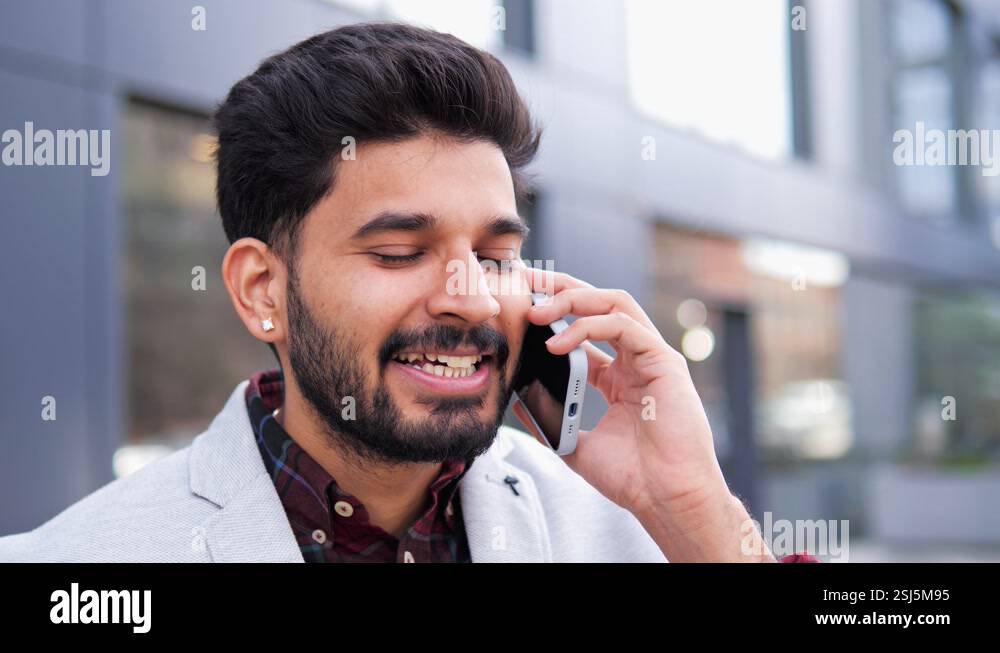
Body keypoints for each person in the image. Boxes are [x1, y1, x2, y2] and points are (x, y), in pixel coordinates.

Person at [0, 22, 815, 563]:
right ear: (262, 289)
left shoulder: (629, 533)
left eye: (496, 253)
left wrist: (697, 513)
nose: (469, 296)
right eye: (399, 251)